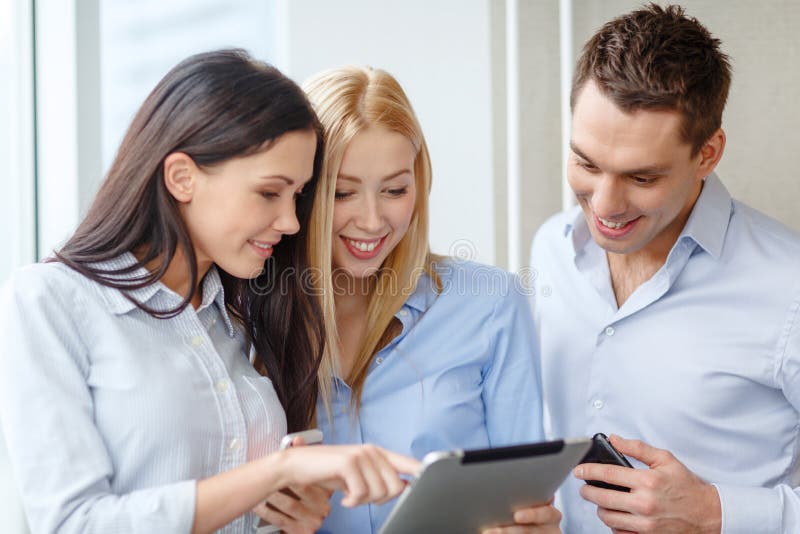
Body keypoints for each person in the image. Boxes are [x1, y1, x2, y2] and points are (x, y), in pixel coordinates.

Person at [0, 49, 418, 534]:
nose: (290, 222)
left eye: (298, 195)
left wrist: (286, 520)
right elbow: (74, 523)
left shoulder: (242, 317)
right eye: (269, 193)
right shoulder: (49, 303)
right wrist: (273, 473)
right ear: (182, 177)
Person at [529, 4, 800, 533]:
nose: (604, 205)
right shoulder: (550, 250)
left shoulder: (789, 289)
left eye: (643, 178)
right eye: (586, 163)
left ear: (708, 153)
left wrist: (715, 512)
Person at [303, 66, 561, 534]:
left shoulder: (492, 305)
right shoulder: (250, 318)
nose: (372, 220)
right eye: (342, 192)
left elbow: (524, 499)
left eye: (395, 190)